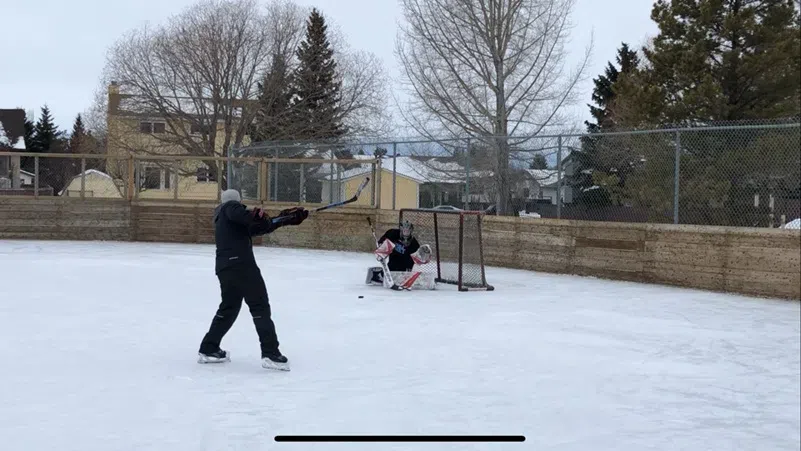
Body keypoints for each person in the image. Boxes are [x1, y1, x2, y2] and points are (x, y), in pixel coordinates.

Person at [197, 189, 308, 371]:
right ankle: (271, 353)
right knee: (260, 306)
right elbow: (246, 216)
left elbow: (261, 226)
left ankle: (209, 348)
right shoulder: (230, 208)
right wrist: (253, 213)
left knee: (229, 308)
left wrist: (286, 218)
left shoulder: (227, 220)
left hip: (225, 267)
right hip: (242, 266)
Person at [367, 220, 431, 285]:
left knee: (401, 276)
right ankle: (378, 275)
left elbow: (414, 259)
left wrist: (423, 259)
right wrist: (381, 246)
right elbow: (383, 239)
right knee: (392, 267)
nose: (406, 233)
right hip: (394, 257)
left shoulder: (414, 243)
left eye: (408, 231)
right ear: (401, 230)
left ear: (411, 231)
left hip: (405, 262)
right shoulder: (393, 233)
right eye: (404, 231)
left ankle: (391, 276)